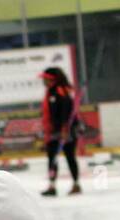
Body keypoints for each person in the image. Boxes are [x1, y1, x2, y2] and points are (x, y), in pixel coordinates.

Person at [39, 67, 81, 196]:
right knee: (52, 158)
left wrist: (64, 128)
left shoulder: (61, 91)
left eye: (45, 78)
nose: (43, 81)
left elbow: (66, 111)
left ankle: (76, 184)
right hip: (53, 131)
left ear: (51, 79)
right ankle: (52, 185)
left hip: (66, 130)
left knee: (70, 157)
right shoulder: (50, 92)